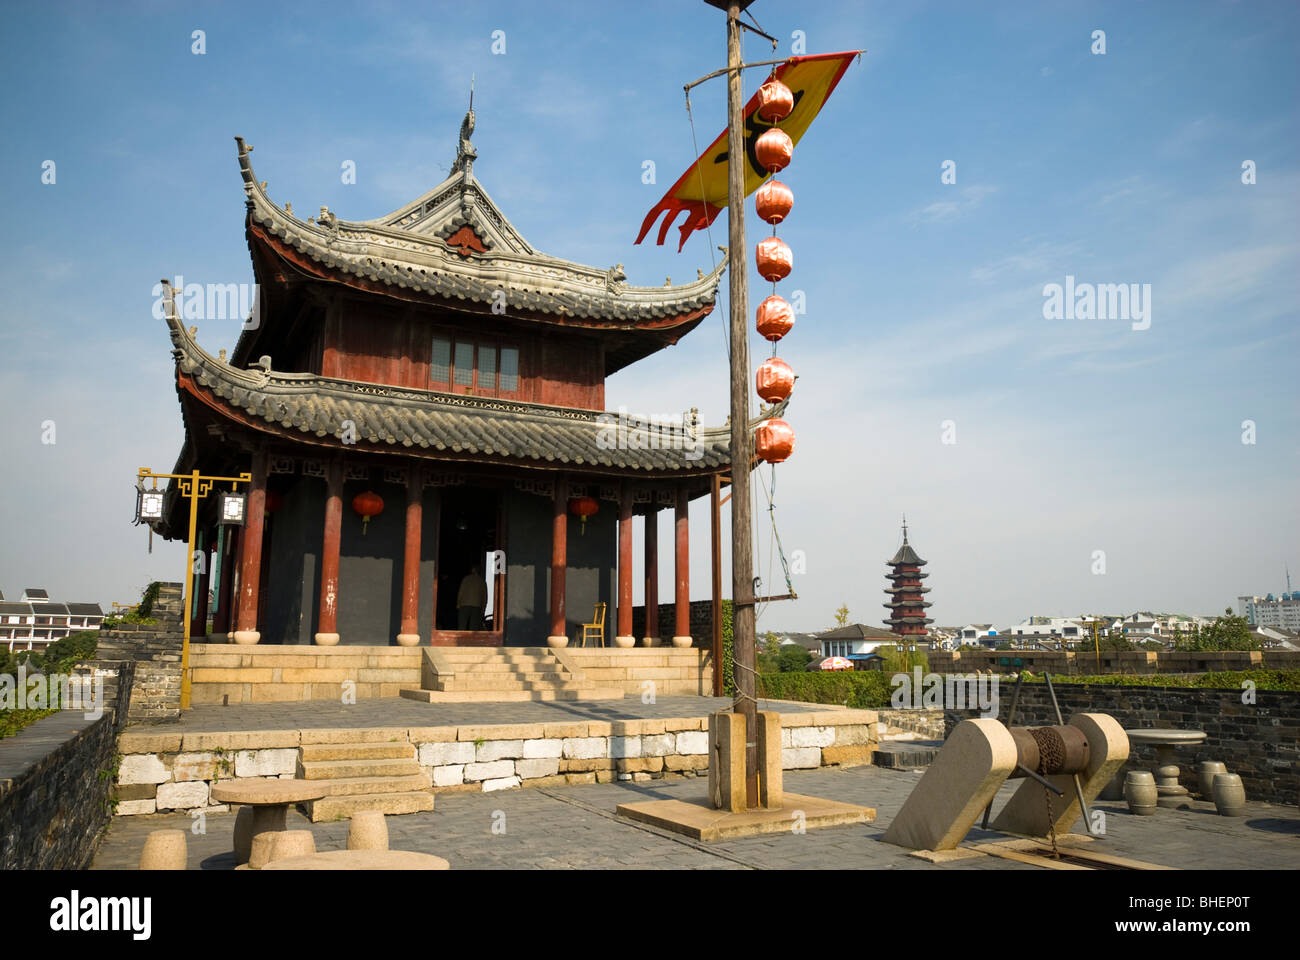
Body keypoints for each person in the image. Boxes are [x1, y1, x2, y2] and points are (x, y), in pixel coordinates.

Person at [456, 564, 487, 630]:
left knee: (462, 625)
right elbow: (484, 597)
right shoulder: (482, 581)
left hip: (464, 604)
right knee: (473, 628)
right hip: (477, 606)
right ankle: (472, 640)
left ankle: (461, 639)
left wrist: (458, 603)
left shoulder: (466, 579)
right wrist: (483, 609)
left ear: (473, 570)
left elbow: (461, 592)